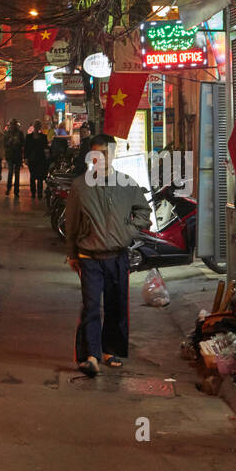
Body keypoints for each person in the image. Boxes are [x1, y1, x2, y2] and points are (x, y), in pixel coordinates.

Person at [64, 133, 151, 377]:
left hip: (117, 255)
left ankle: (109, 350)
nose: (99, 158)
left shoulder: (126, 183)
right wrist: (71, 253)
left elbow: (144, 212)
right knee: (91, 306)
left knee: (116, 305)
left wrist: (127, 231)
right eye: (95, 153)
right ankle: (90, 355)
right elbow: (71, 223)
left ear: (112, 155)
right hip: (89, 256)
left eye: (104, 153)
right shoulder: (80, 186)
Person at [25, 120, 50, 201]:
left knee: (39, 177)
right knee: (32, 176)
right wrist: (26, 158)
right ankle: (33, 192)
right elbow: (26, 148)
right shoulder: (28, 137)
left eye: (38, 125)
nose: (36, 127)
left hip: (40, 159)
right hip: (32, 159)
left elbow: (46, 148)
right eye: (36, 125)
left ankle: (39, 193)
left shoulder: (43, 137)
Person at [4, 119, 25, 197]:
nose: (13, 126)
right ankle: (8, 188)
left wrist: (19, 142)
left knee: (17, 173)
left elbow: (23, 143)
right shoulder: (7, 133)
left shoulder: (20, 133)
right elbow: (5, 144)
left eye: (14, 124)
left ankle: (16, 191)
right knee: (10, 173)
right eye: (12, 124)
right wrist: (9, 142)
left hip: (17, 155)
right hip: (10, 155)